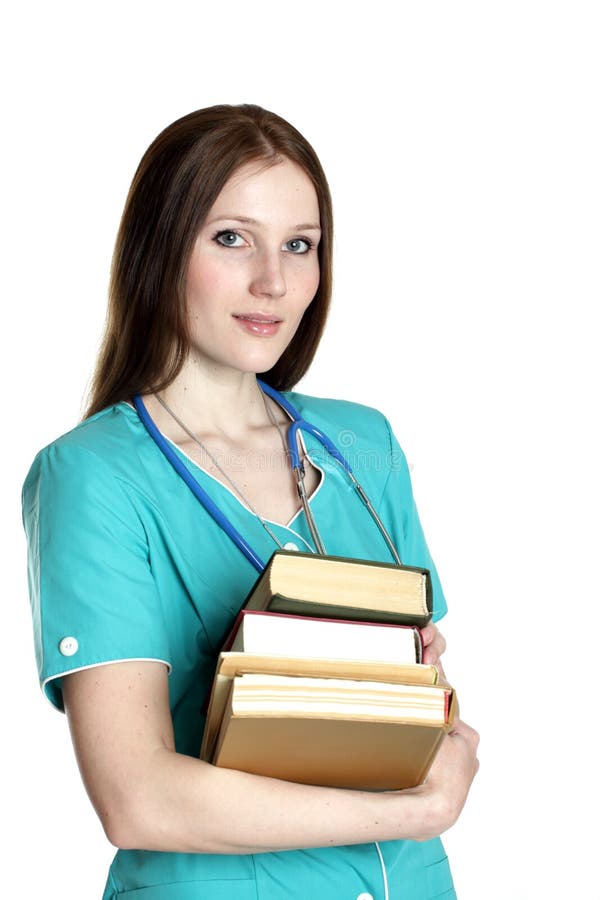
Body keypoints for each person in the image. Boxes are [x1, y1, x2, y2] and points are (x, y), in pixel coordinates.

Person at [22, 104, 479, 900]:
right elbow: (139, 800)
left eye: (300, 246)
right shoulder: (95, 478)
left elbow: (422, 695)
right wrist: (419, 806)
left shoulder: (364, 446)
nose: (274, 280)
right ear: (161, 248)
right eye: (232, 238)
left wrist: (421, 699)